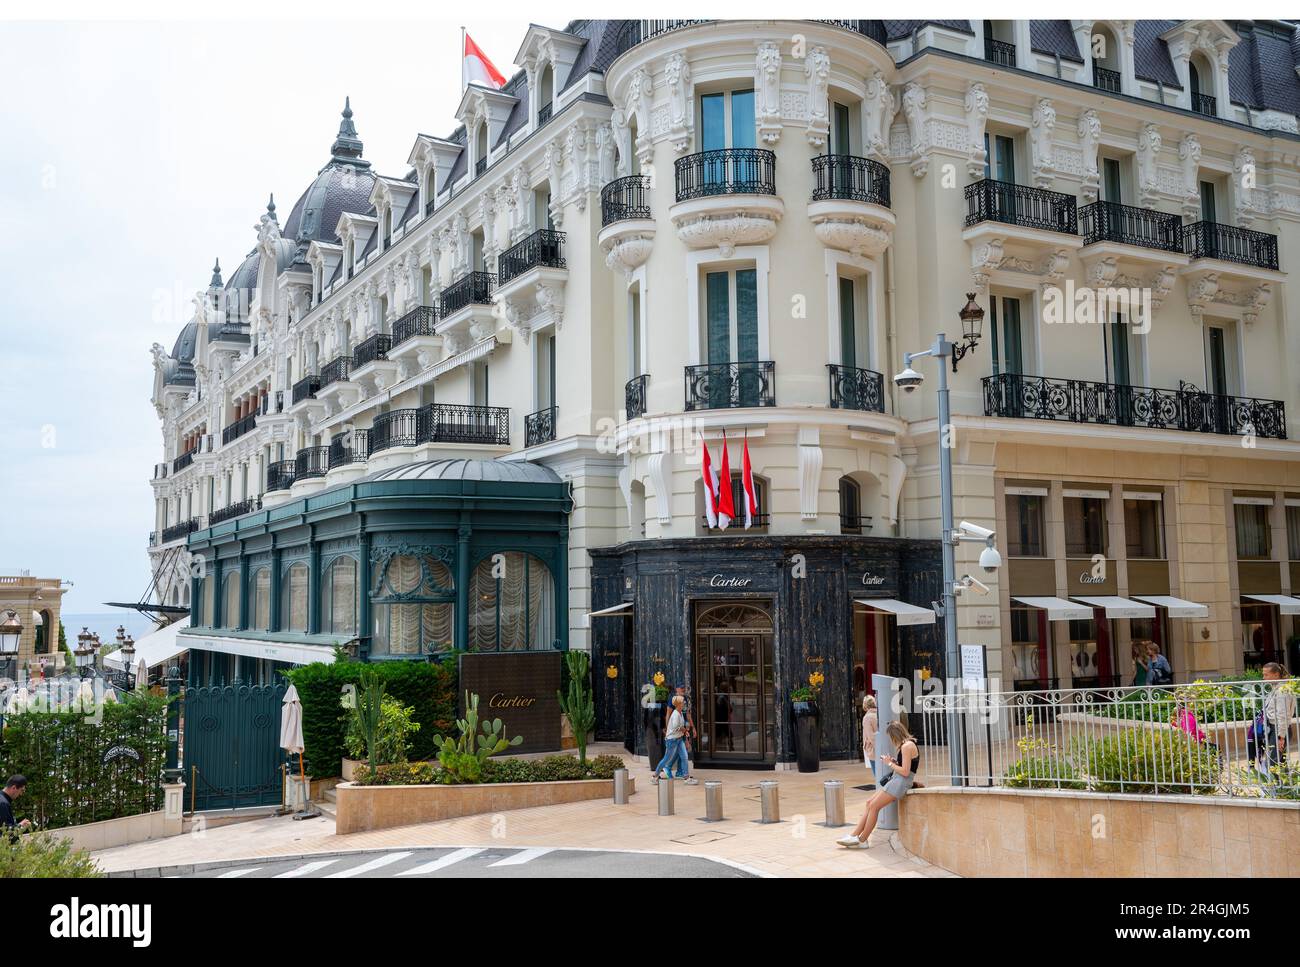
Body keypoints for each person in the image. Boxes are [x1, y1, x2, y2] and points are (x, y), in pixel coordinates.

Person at [837, 721, 918, 849]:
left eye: (891, 737)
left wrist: (889, 763)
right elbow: (905, 766)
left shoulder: (906, 746)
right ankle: (854, 835)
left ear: (895, 735)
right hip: (897, 780)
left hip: (900, 782)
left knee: (874, 807)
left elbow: (906, 771)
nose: (892, 740)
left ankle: (862, 840)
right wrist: (894, 761)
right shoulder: (908, 745)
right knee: (869, 803)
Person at [1259, 662, 1295, 773]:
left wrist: (1281, 737)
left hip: (1279, 730)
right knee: (1280, 763)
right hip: (1276, 729)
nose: (1264, 678)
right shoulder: (1278, 688)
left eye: (1266, 675)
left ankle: (1277, 789)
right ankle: (1286, 788)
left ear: (1275, 675)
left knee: (1273, 764)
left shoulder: (1281, 691)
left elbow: (1282, 715)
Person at [665, 685, 698, 784]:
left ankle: (680, 772)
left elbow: (688, 714)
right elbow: (668, 714)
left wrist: (693, 728)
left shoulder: (686, 700)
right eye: (681, 688)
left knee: (682, 751)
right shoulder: (673, 700)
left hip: (683, 728)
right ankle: (669, 767)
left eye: (684, 688)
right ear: (676, 689)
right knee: (680, 752)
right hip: (677, 730)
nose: (683, 690)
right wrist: (668, 730)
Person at [651, 695, 688, 784]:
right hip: (672, 740)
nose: (685, 703)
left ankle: (687, 778)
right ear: (679, 704)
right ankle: (655, 776)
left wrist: (684, 731)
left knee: (684, 757)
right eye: (683, 702)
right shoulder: (675, 714)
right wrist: (683, 729)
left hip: (678, 739)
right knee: (666, 759)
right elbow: (676, 727)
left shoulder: (680, 713)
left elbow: (680, 727)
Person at [861, 696, 878, 773]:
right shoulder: (878, 714)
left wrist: (878, 749)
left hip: (873, 749)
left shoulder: (867, 718)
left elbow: (871, 736)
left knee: (876, 773)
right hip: (881, 747)